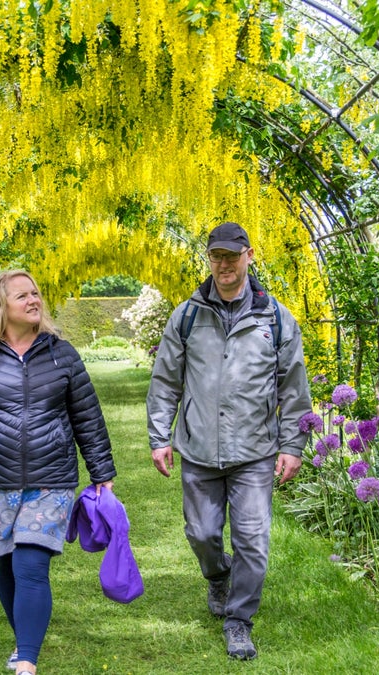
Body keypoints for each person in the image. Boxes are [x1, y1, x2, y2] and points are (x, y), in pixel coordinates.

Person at [0, 270, 117, 675]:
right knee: (6, 566)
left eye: (35, 293)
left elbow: (87, 416)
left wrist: (101, 470)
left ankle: (27, 664)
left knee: (30, 566)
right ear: (0, 306)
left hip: (50, 479)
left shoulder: (61, 354)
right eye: (23, 296)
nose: (34, 300)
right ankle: (24, 640)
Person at [146, 221, 313, 660]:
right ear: (209, 260)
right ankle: (218, 576)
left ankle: (239, 620)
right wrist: (159, 437)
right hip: (199, 448)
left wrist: (292, 446)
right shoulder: (187, 316)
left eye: (232, 256)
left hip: (254, 451)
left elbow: (294, 388)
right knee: (202, 534)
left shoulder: (276, 319)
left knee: (253, 541)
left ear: (249, 256)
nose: (224, 265)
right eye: (216, 256)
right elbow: (165, 382)